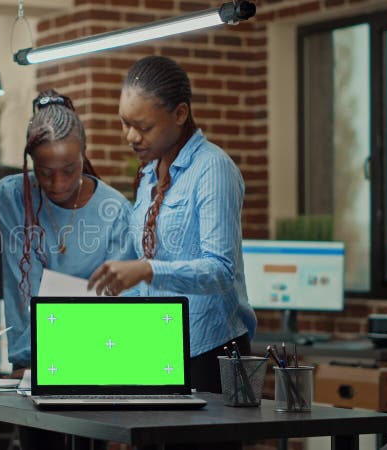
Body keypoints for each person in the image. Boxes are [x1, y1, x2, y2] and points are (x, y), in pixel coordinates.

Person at [88, 56, 257, 394]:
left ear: (180, 114)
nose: (130, 137)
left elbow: (221, 271)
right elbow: (149, 277)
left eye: (143, 126)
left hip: (210, 353)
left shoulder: (213, 169)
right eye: (124, 124)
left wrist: (148, 270)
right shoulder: (150, 172)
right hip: (158, 347)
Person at [0, 89, 133, 450]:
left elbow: (118, 298)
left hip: (97, 356)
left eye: (69, 170)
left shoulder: (115, 210)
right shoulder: (13, 196)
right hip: (35, 359)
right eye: (44, 172)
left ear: (84, 155)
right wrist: (26, 359)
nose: (57, 184)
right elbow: (22, 282)